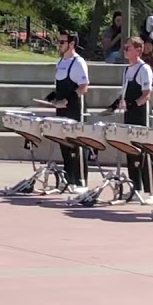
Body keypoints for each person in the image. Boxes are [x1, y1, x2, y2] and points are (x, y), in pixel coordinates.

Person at [118, 37, 153, 201]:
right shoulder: (127, 69)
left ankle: (152, 191)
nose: (125, 50)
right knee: (131, 149)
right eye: (125, 47)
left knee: (144, 150)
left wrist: (133, 105)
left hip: (141, 114)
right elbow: (125, 91)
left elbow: (146, 94)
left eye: (128, 48)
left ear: (138, 50)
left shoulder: (144, 68)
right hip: (129, 114)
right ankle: (136, 188)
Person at [52, 31, 90, 190]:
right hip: (61, 110)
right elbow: (59, 87)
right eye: (58, 41)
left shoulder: (78, 62)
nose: (59, 45)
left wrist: (67, 101)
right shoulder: (60, 62)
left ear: (71, 44)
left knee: (77, 145)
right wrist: (50, 100)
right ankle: (69, 179)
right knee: (64, 144)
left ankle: (81, 181)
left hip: (75, 110)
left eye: (62, 42)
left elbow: (84, 87)